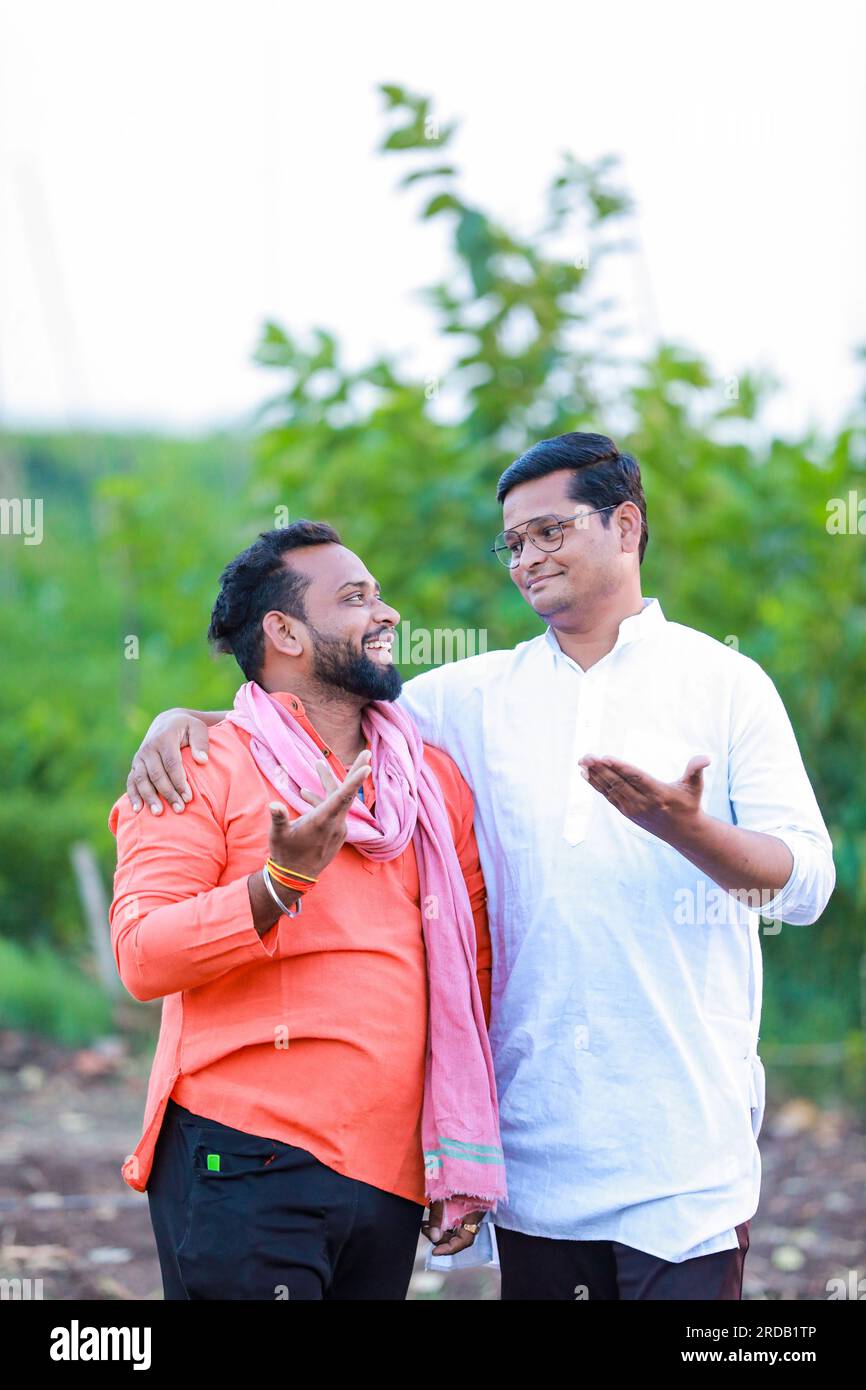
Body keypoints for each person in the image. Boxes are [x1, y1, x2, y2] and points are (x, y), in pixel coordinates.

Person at [126, 432, 835, 1300]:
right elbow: (315, 707)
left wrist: (689, 829)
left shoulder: (726, 685)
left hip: (684, 1149)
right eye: (514, 542)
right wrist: (185, 720)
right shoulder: (465, 700)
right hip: (537, 1161)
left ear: (625, 524)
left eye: (551, 531)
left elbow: (802, 888)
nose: (527, 558)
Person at [109, 520, 505, 1301]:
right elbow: (142, 955)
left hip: (390, 1176)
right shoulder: (195, 764)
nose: (386, 613)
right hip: (242, 1158)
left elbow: (474, 968)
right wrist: (276, 884)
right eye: (356, 597)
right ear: (283, 630)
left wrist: (458, 1150)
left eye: (380, 594)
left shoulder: (428, 781)